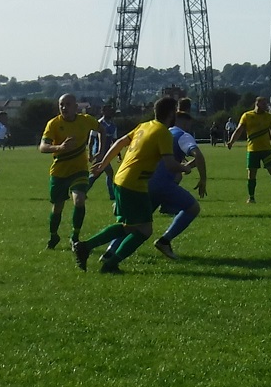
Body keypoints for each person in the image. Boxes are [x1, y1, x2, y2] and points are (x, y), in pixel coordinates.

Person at [76, 96, 182, 273]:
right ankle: (101, 257)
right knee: (144, 230)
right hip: (134, 183)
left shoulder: (145, 125)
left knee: (130, 226)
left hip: (122, 178)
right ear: (172, 113)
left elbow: (120, 142)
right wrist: (185, 167)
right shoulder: (163, 132)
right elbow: (171, 164)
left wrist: (103, 163)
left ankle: (94, 253)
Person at [144, 98, 206, 259]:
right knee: (193, 208)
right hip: (163, 184)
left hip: (145, 180)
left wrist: (185, 167)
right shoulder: (183, 135)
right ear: (184, 122)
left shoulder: (162, 132)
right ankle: (165, 240)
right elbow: (198, 155)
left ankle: (109, 252)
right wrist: (203, 180)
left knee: (135, 223)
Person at [39, 93, 100, 249]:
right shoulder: (53, 124)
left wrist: (101, 151)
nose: (64, 108)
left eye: (67, 104)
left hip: (79, 170)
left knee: (79, 200)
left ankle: (75, 237)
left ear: (76, 107)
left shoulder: (86, 121)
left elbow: (102, 130)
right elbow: (42, 147)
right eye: (61, 105)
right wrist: (59, 147)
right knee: (57, 207)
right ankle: (54, 236)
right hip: (59, 172)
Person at [226, 96, 271, 204]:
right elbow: (239, 130)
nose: (266, 106)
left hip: (266, 150)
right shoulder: (247, 116)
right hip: (252, 150)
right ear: (257, 104)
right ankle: (251, 197)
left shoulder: (269, 117)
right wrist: (231, 142)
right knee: (251, 174)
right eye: (264, 104)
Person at [90, 101, 119, 198]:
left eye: (111, 111)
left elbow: (115, 141)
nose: (110, 112)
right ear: (103, 112)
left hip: (107, 152)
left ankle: (83, 190)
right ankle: (112, 195)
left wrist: (118, 154)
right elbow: (91, 139)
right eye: (108, 111)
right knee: (107, 172)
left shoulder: (113, 125)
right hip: (99, 153)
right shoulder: (98, 123)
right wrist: (91, 153)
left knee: (98, 173)